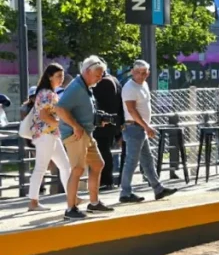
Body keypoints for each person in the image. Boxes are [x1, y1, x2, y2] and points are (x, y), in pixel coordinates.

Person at [55, 56, 112, 219]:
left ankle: (94, 203)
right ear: (87, 71)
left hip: (86, 133)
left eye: (102, 74)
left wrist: (97, 120)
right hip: (76, 135)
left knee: (98, 164)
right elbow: (60, 108)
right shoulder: (76, 88)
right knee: (78, 169)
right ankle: (70, 209)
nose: (100, 78)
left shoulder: (86, 86)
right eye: (98, 75)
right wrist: (75, 126)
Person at [119, 60, 177, 204]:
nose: (141, 75)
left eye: (144, 73)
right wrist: (146, 126)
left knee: (147, 160)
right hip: (134, 127)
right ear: (132, 71)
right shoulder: (129, 87)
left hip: (139, 128)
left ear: (148, 73)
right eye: (138, 72)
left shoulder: (143, 85)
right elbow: (131, 110)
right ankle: (125, 192)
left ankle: (158, 188)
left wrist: (145, 126)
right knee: (132, 161)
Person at [26, 64, 73, 213]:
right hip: (47, 134)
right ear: (49, 76)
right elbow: (44, 116)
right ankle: (33, 202)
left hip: (50, 134)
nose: (62, 79)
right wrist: (61, 123)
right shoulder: (47, 93)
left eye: (62, 76)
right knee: (41, 167)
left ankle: (72, 197)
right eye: (59, 76)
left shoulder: (46, 92)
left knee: (65, 166)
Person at [92, 69, 123, 191]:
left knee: (103, 151)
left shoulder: (103, 83)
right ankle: (108, 180)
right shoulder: (115, 80)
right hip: (113, 122)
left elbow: (100, 104)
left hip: (103, 123)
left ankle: (105, 181)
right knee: (106, 151)